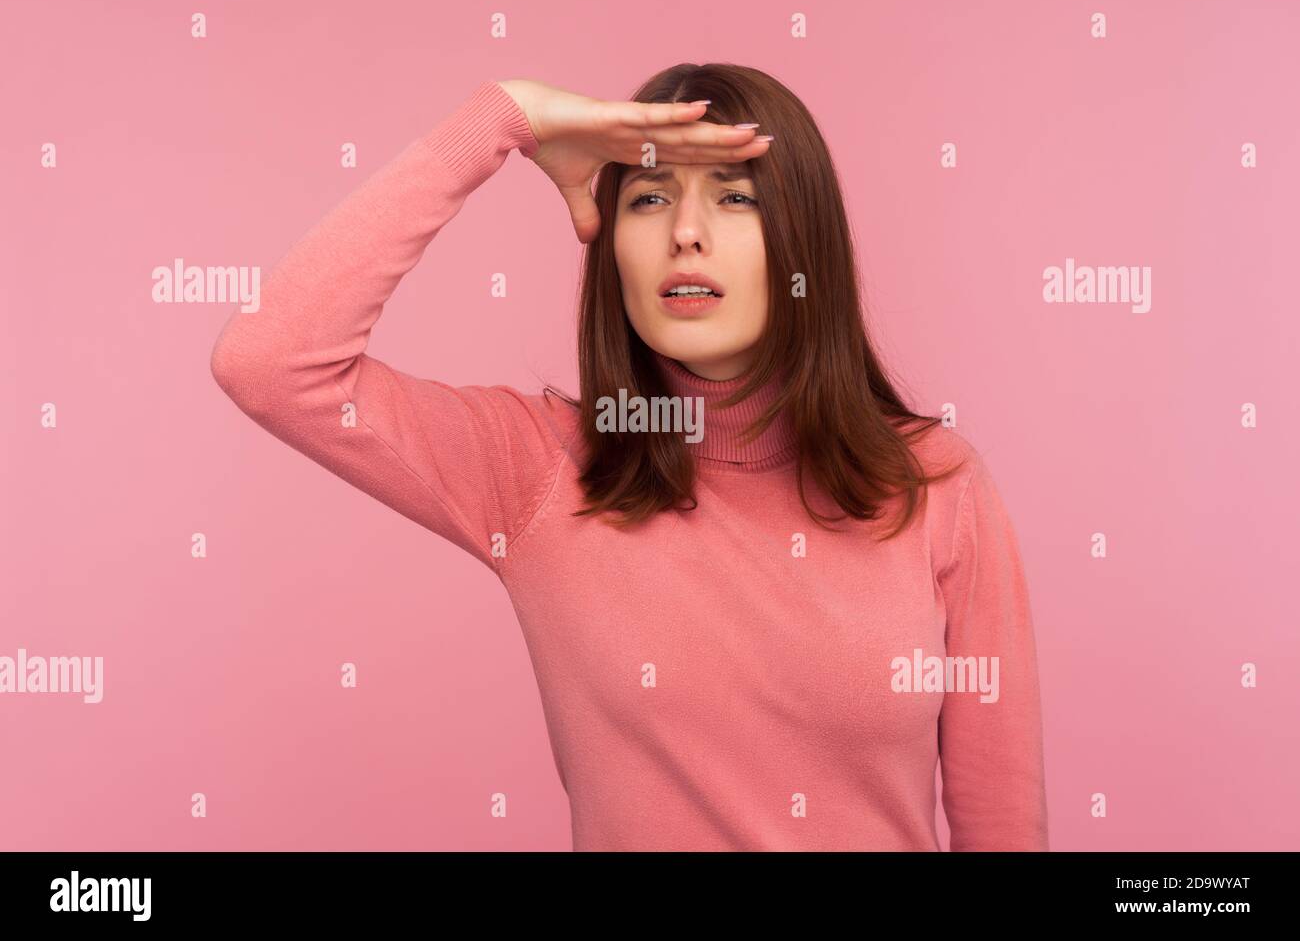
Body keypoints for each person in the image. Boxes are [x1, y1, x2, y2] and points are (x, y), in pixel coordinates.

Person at [210, 62, 1049, 851]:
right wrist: (499, 119)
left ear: (805, 244)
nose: (686, 233)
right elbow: (270, 364)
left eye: (734, 197)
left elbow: (1004, 827)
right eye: (648, 198)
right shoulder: (541, 470)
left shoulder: (936, 487)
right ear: (609, 242)